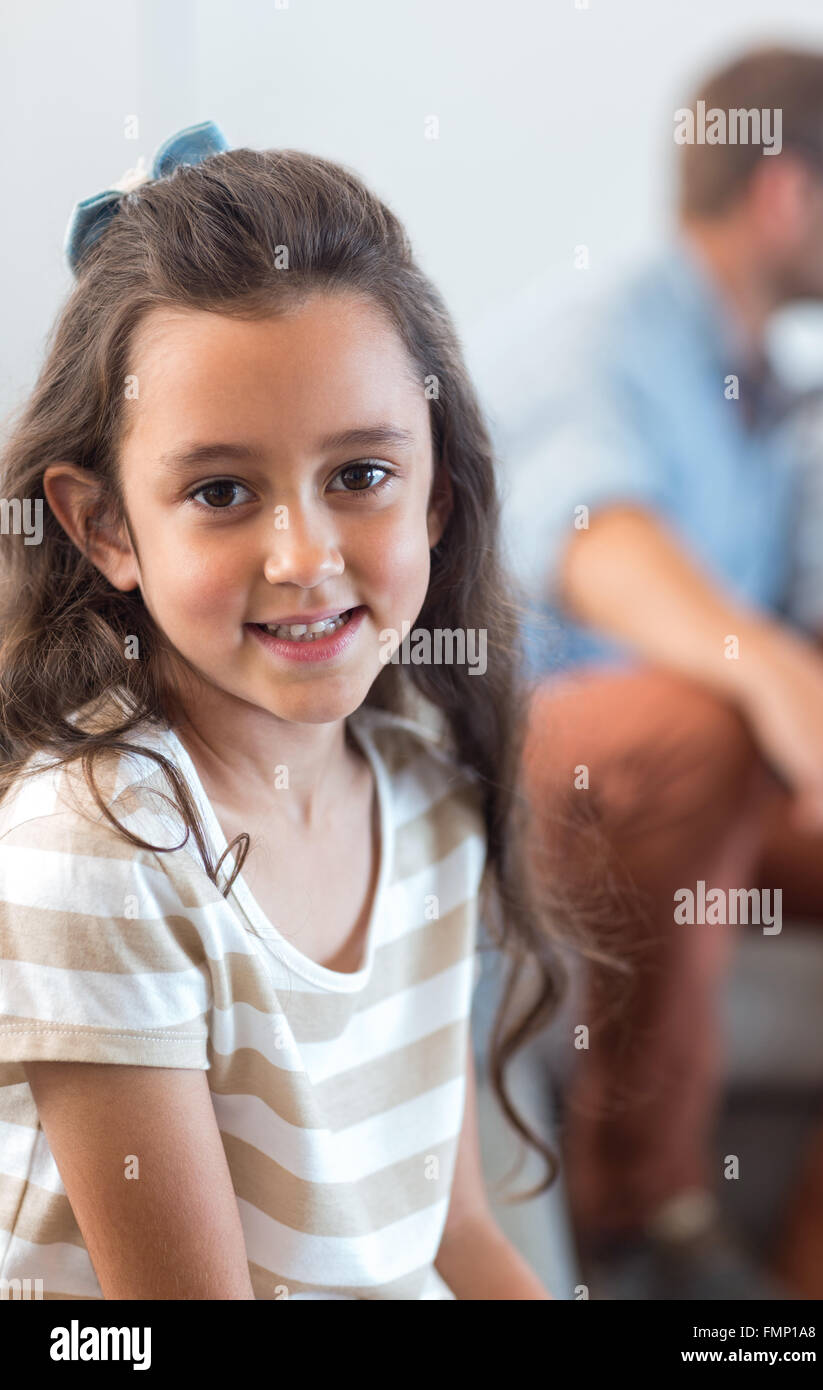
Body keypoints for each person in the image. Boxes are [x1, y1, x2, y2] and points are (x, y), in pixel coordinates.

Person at [0, 120, 584, 1300]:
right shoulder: (97, 849)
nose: (304, 556)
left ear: (435, 496)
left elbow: (453, 1234)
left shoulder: (426, 779)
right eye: (221, 491)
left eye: (359, 476)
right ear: (106, 525)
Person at [478, 46, 823, 1298]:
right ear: (784, 193)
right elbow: (593, 538)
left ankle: (816, 1282)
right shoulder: (612, 323)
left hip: (702, 798)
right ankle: (638, 1214)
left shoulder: (770, 391)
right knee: (711, 713)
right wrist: (776, 675)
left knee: (726, 728)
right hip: (546, 761)